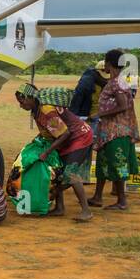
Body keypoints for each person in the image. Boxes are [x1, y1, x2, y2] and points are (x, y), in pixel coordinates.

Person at [14, 85, 94, 221]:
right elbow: (49, 129)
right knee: (57, 171)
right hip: (67, 139)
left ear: (31, 98)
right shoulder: (37, 110)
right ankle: (59, 207)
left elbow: (65, 134)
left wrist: (47, 152)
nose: (21, 106)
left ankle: (86, 211)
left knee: (70, 173)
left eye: (22, 102)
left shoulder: (46, 111)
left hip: (79, 137)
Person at [89, 48, 140, 211]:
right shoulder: (115, 82)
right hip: (108, 131)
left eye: (105, 61)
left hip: (117, 131)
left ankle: (122, 201)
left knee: (118, 164)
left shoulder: (118, 83)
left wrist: (100, 113)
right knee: (103, 163)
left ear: (109, 63)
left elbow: (122, 105)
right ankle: (98, 196)